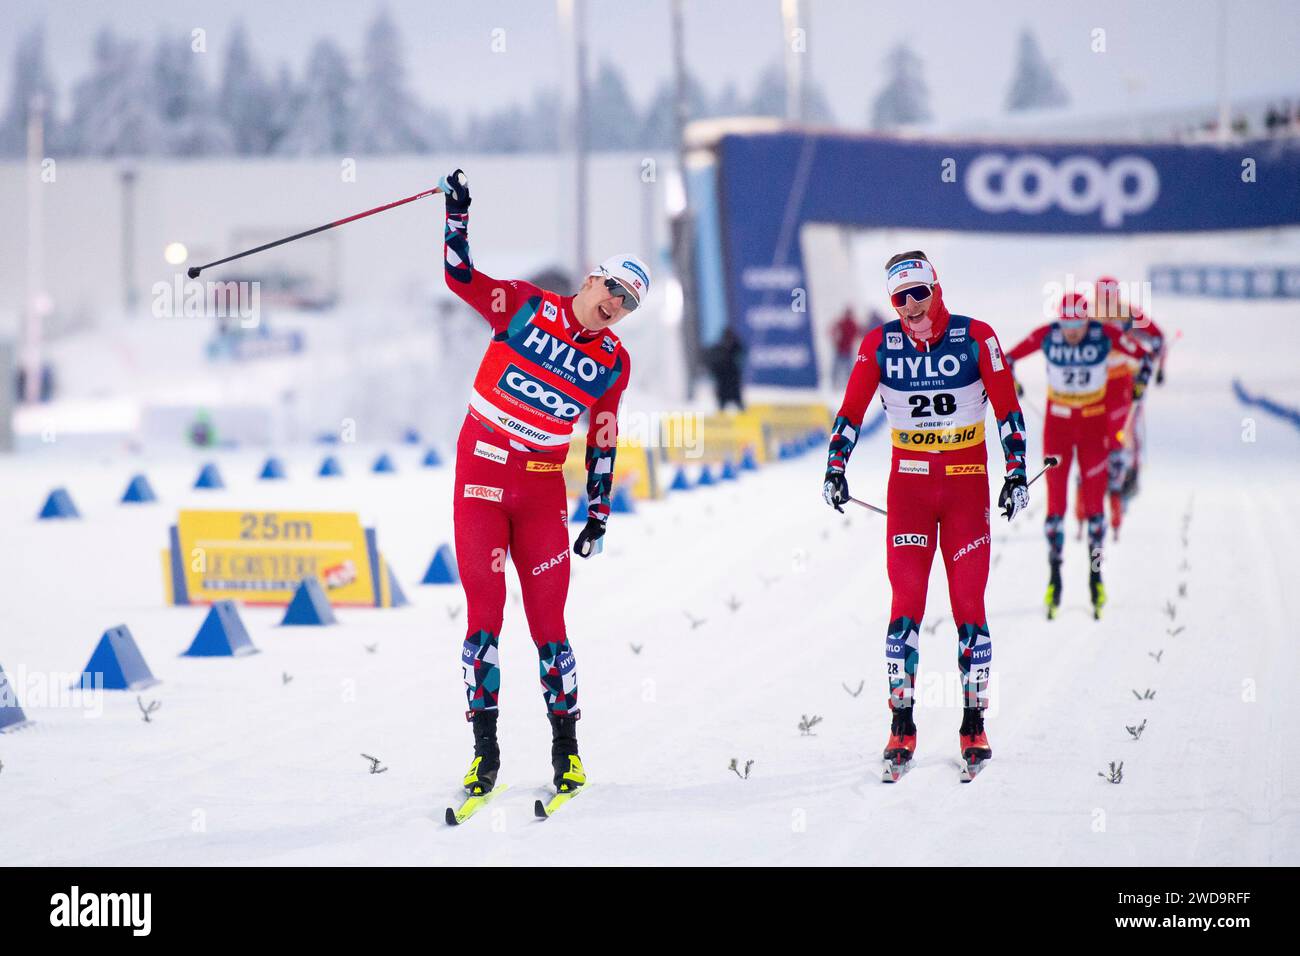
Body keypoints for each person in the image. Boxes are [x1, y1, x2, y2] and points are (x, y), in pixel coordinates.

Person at [439, 168, 650, 799]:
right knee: (484, 618)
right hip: (481, 480)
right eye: (613, 288)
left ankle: (567, 754)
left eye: (628, 303)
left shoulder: (613, 361)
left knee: (549, 625)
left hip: (539, 494)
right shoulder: (525, 305)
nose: (615, 305)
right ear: (590, 279)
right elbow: (460, 277)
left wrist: (599, 510)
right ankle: (485, 755)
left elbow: (603, 434)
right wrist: (457, 215)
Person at [821, 250, 1028, 779]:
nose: (911, 306)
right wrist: (835, 467)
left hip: (965, 489)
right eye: (900, 299)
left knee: (969, 609)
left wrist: (1017, 472)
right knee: (905, 608)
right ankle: (901, 727)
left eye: (919, 294)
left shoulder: (976, 337)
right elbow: (850, 411)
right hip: (910, 493)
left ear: (936, 289)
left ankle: (974, 726)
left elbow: (1008, 409)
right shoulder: (879, 344)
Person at [1007, 293, 1152, 621]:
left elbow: (1145, 357)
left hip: (1093, 425)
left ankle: (1096, 577)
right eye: (1066, 324)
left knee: (1095, 506)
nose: (1071, 332)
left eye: (1077, 324)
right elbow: (1007, 358)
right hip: (1057, 425)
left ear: (1088, 321)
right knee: (1056, 505)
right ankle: (1054, 578)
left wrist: (1139, 385)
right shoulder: (1048, 334)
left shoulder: (1105, 334)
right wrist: (1012, 384)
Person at [1093, 277, 1163, 538]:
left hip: (1125, 382)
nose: (1107, 305)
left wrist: (1151, 366)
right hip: (1095, 384)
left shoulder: (1129, 313)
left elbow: (1157, 338)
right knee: (1094, 432)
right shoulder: (1087, 313)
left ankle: (1127, 479)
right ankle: (1093, 480)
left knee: (1126, 432)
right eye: (1103, 299)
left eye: (1110, 299)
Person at [830, 307, 860, 388]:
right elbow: (832, 331)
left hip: (846, 350)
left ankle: (845, 384)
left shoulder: (851, 324)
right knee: (839, 369)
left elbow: (858, 333)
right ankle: (836, 384)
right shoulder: (843, 323)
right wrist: (835, 340)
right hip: (841, 349)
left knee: (846, 369)